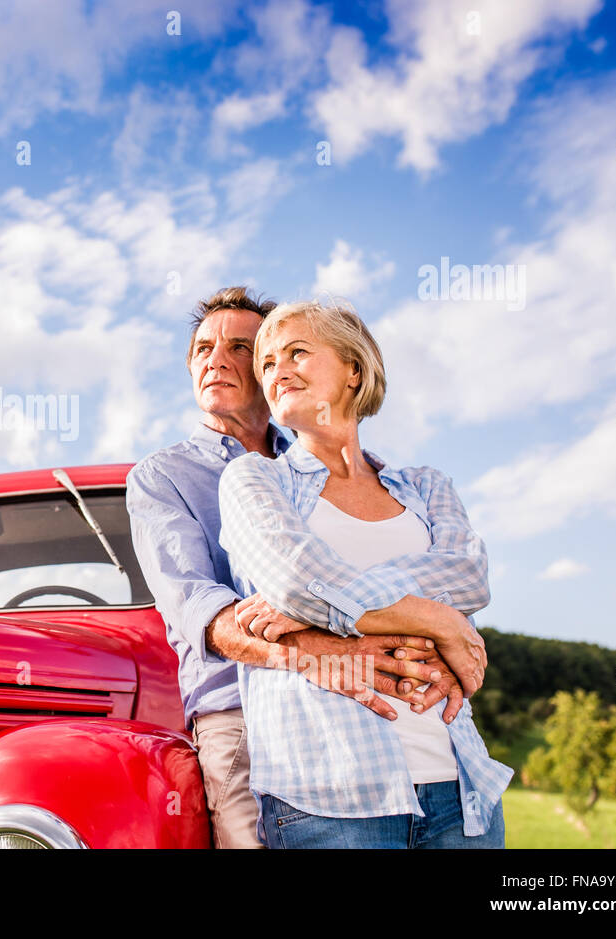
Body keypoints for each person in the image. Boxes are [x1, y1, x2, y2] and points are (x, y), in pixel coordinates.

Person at [126, 288, 464, 849]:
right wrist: (329, 651)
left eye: (241, 347)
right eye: (203, 348)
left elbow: (395, 568)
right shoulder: (162, 476)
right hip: (239, 713)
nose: (216, 358)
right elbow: (200, 612)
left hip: (369, 698)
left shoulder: (327, 465)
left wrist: (449, 632)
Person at [218, 299, 513, 848]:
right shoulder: (254, 480)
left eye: (297, 352)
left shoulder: (426, 485)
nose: (277, 369)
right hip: (328, 798)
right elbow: (296, 579)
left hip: (458, 787)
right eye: (266, 363)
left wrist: (320, 603)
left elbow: (470, 578)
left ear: (354, 368)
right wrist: (438, 620)